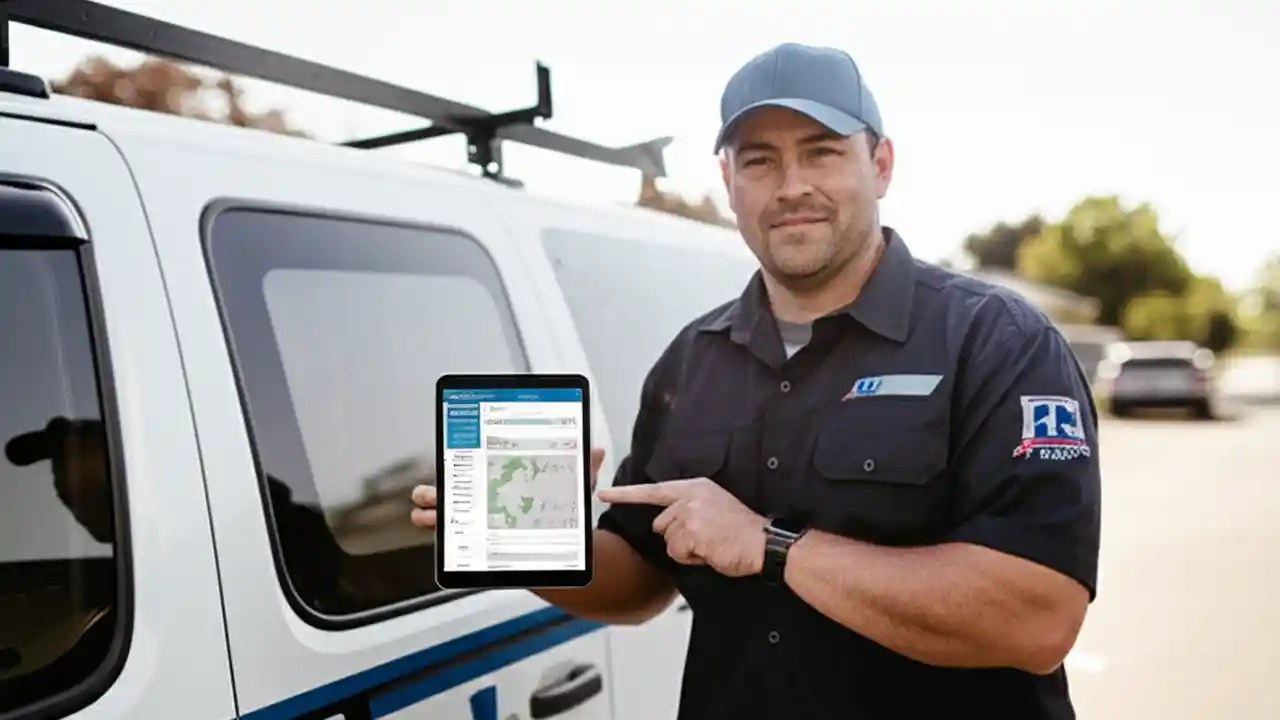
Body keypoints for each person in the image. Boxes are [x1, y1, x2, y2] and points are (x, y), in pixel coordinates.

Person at [411, 41, 1100, 719]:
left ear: (881, 165)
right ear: (729, 179)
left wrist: (771, 547)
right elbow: (643, 580)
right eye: (760, 161)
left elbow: (1036, 619)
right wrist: (524, 544)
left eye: (821, 152)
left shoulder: (997, 341)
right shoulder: (692, 359)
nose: (791, 185)